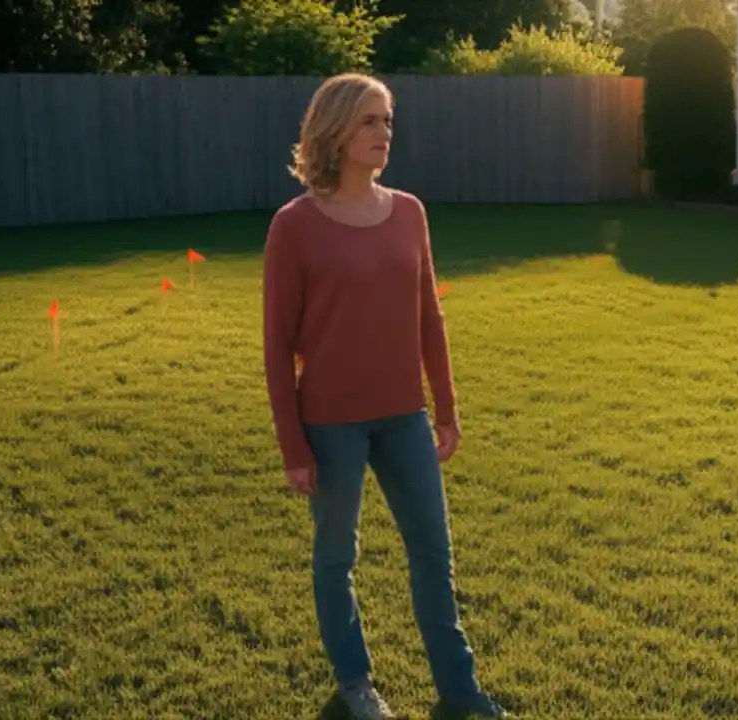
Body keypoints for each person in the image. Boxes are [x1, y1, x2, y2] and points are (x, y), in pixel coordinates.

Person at [262, 72, 509, 720]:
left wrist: (446, 408)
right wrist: (294, 447)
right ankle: (355, 686)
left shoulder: (409, 212)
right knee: (336, 558)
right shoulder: (294, 225)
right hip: (331, 424)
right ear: (336, 130)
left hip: (405, 418)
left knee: (433, 552)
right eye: (370, 121)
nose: (384, 133)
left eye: (389, 120)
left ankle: (460, 692)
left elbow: (430, 317)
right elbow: (277, 345)